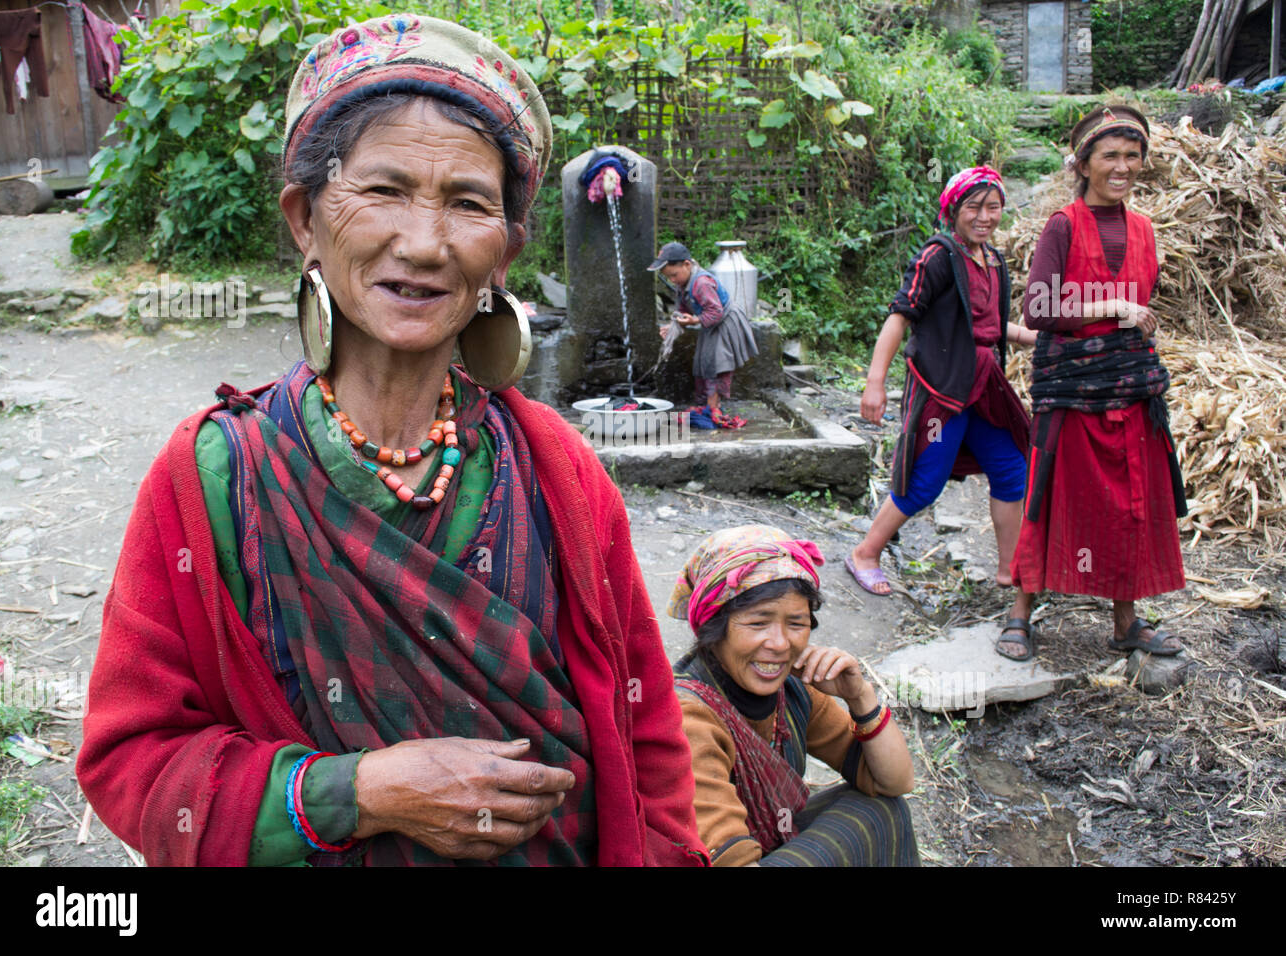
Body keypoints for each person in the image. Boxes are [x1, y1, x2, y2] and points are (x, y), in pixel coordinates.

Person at [75, 14, 706, 867]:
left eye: (468, 203)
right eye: (383, 190)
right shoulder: (212, 475)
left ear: (507, 250)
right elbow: (132, 765)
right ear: (305, 218)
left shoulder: (557, 469)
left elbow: (648, 739)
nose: (423, 242)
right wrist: (359, 792)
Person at [1006, 105, 1186, 659]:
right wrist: (1110, 303)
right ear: (1083, 163)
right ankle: (1019, 614)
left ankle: (1125, 622)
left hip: (1129, 390)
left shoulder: (1145, 230)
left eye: (1133, 156)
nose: (1123, 166)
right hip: (1072, 393)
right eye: (1110, 155)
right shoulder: (1064, 224)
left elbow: (1143, 304)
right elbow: (1037, 308)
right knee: (1050, 497)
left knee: (1129, 503)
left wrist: (1123, 318)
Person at [845, 167, 1038, 656]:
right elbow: (900, 316)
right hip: (943, 390)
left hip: (985, 388)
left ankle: (1009, 568)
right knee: (924, 483)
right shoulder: (938, 256)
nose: (984, 216)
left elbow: (991, 326)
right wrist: (876, 382)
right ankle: (865, 553)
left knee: (1013, 470)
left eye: (993, 207)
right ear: (953, 209)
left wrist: (1040, 337)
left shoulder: (992, 259)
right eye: (973, 207)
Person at [669, 525, 918, 866]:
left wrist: (859, 696)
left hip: (769, 840)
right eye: (758, 623)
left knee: (884, 810)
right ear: (714, 627)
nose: (780, 644)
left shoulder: (792, 691)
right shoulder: (689, 718)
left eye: (796, 624)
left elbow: (894, 781)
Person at [650, 241, 758, 425]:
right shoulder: (683, 284)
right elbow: (684, 310)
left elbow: (715, 311)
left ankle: (713, 408)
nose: (673, 280)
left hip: (724, 323)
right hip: (710, 324)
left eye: (674, 275)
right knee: (703, 362)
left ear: (687, 264)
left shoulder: (701, 283)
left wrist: (695, 320)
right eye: (669, 277)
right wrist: (673, 327)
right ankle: (707, 404)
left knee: (716, 365)